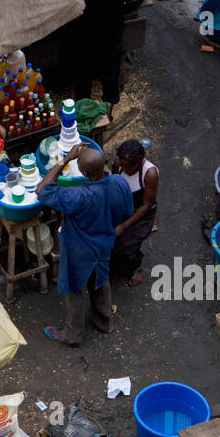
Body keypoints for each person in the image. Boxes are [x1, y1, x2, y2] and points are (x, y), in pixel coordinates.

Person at [37, 145, 133, 347]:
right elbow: (126, 212)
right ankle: (103, 321)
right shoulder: (119, 183)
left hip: (79, 250)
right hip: (105, 243)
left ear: (83, 172)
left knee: (75, 289)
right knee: (100, 281)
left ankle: (72, 334)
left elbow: (42, 190)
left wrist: (65, 160)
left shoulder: (78, 196)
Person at [71, 0, 134, 107]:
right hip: (112, 23)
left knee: (84, 61)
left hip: (86, 22)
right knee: (111, 60)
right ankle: (110, 101)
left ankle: (83, 102)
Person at [111, 140, 159, 286]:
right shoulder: (118, 164)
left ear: (139, 163)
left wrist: (124, 226)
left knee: (127, 247)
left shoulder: (150, 174)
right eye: (121, 165)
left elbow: (147, 205)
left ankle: (136, 268)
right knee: (115, 243)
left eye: (128, 167)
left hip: (141, 214)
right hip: (124, 208)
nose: (123, 169)